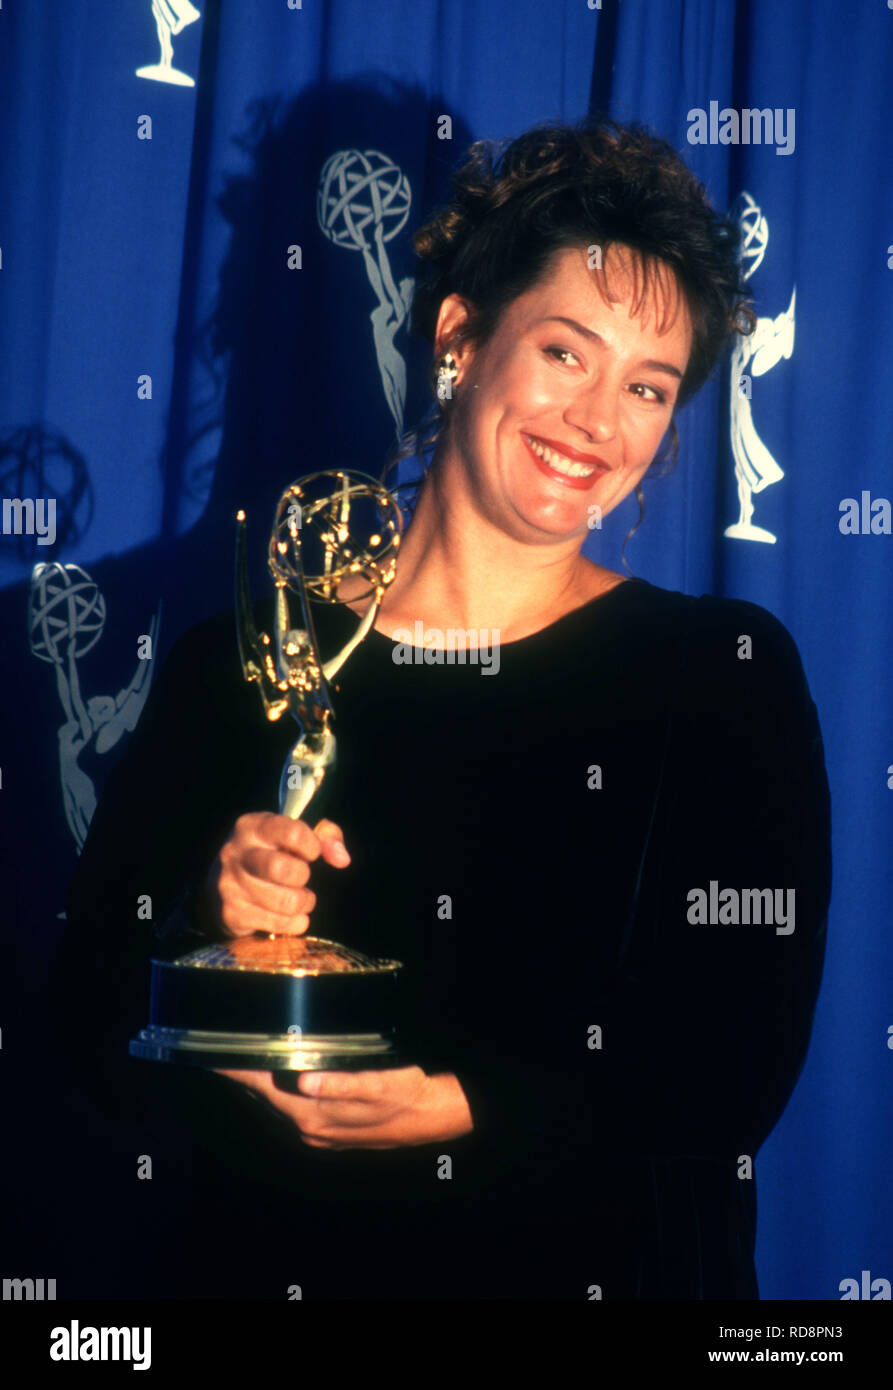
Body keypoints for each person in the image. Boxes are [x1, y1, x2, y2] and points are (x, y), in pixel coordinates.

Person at [52, 118, 832, 1300]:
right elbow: (89, 1033)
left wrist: (467, 1109)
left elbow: (736, 1064)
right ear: (460, 336)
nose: (596, 421)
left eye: (646, 386)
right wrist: (214, 929)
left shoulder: (718, 670)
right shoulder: (249, 657)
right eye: (565, 353)